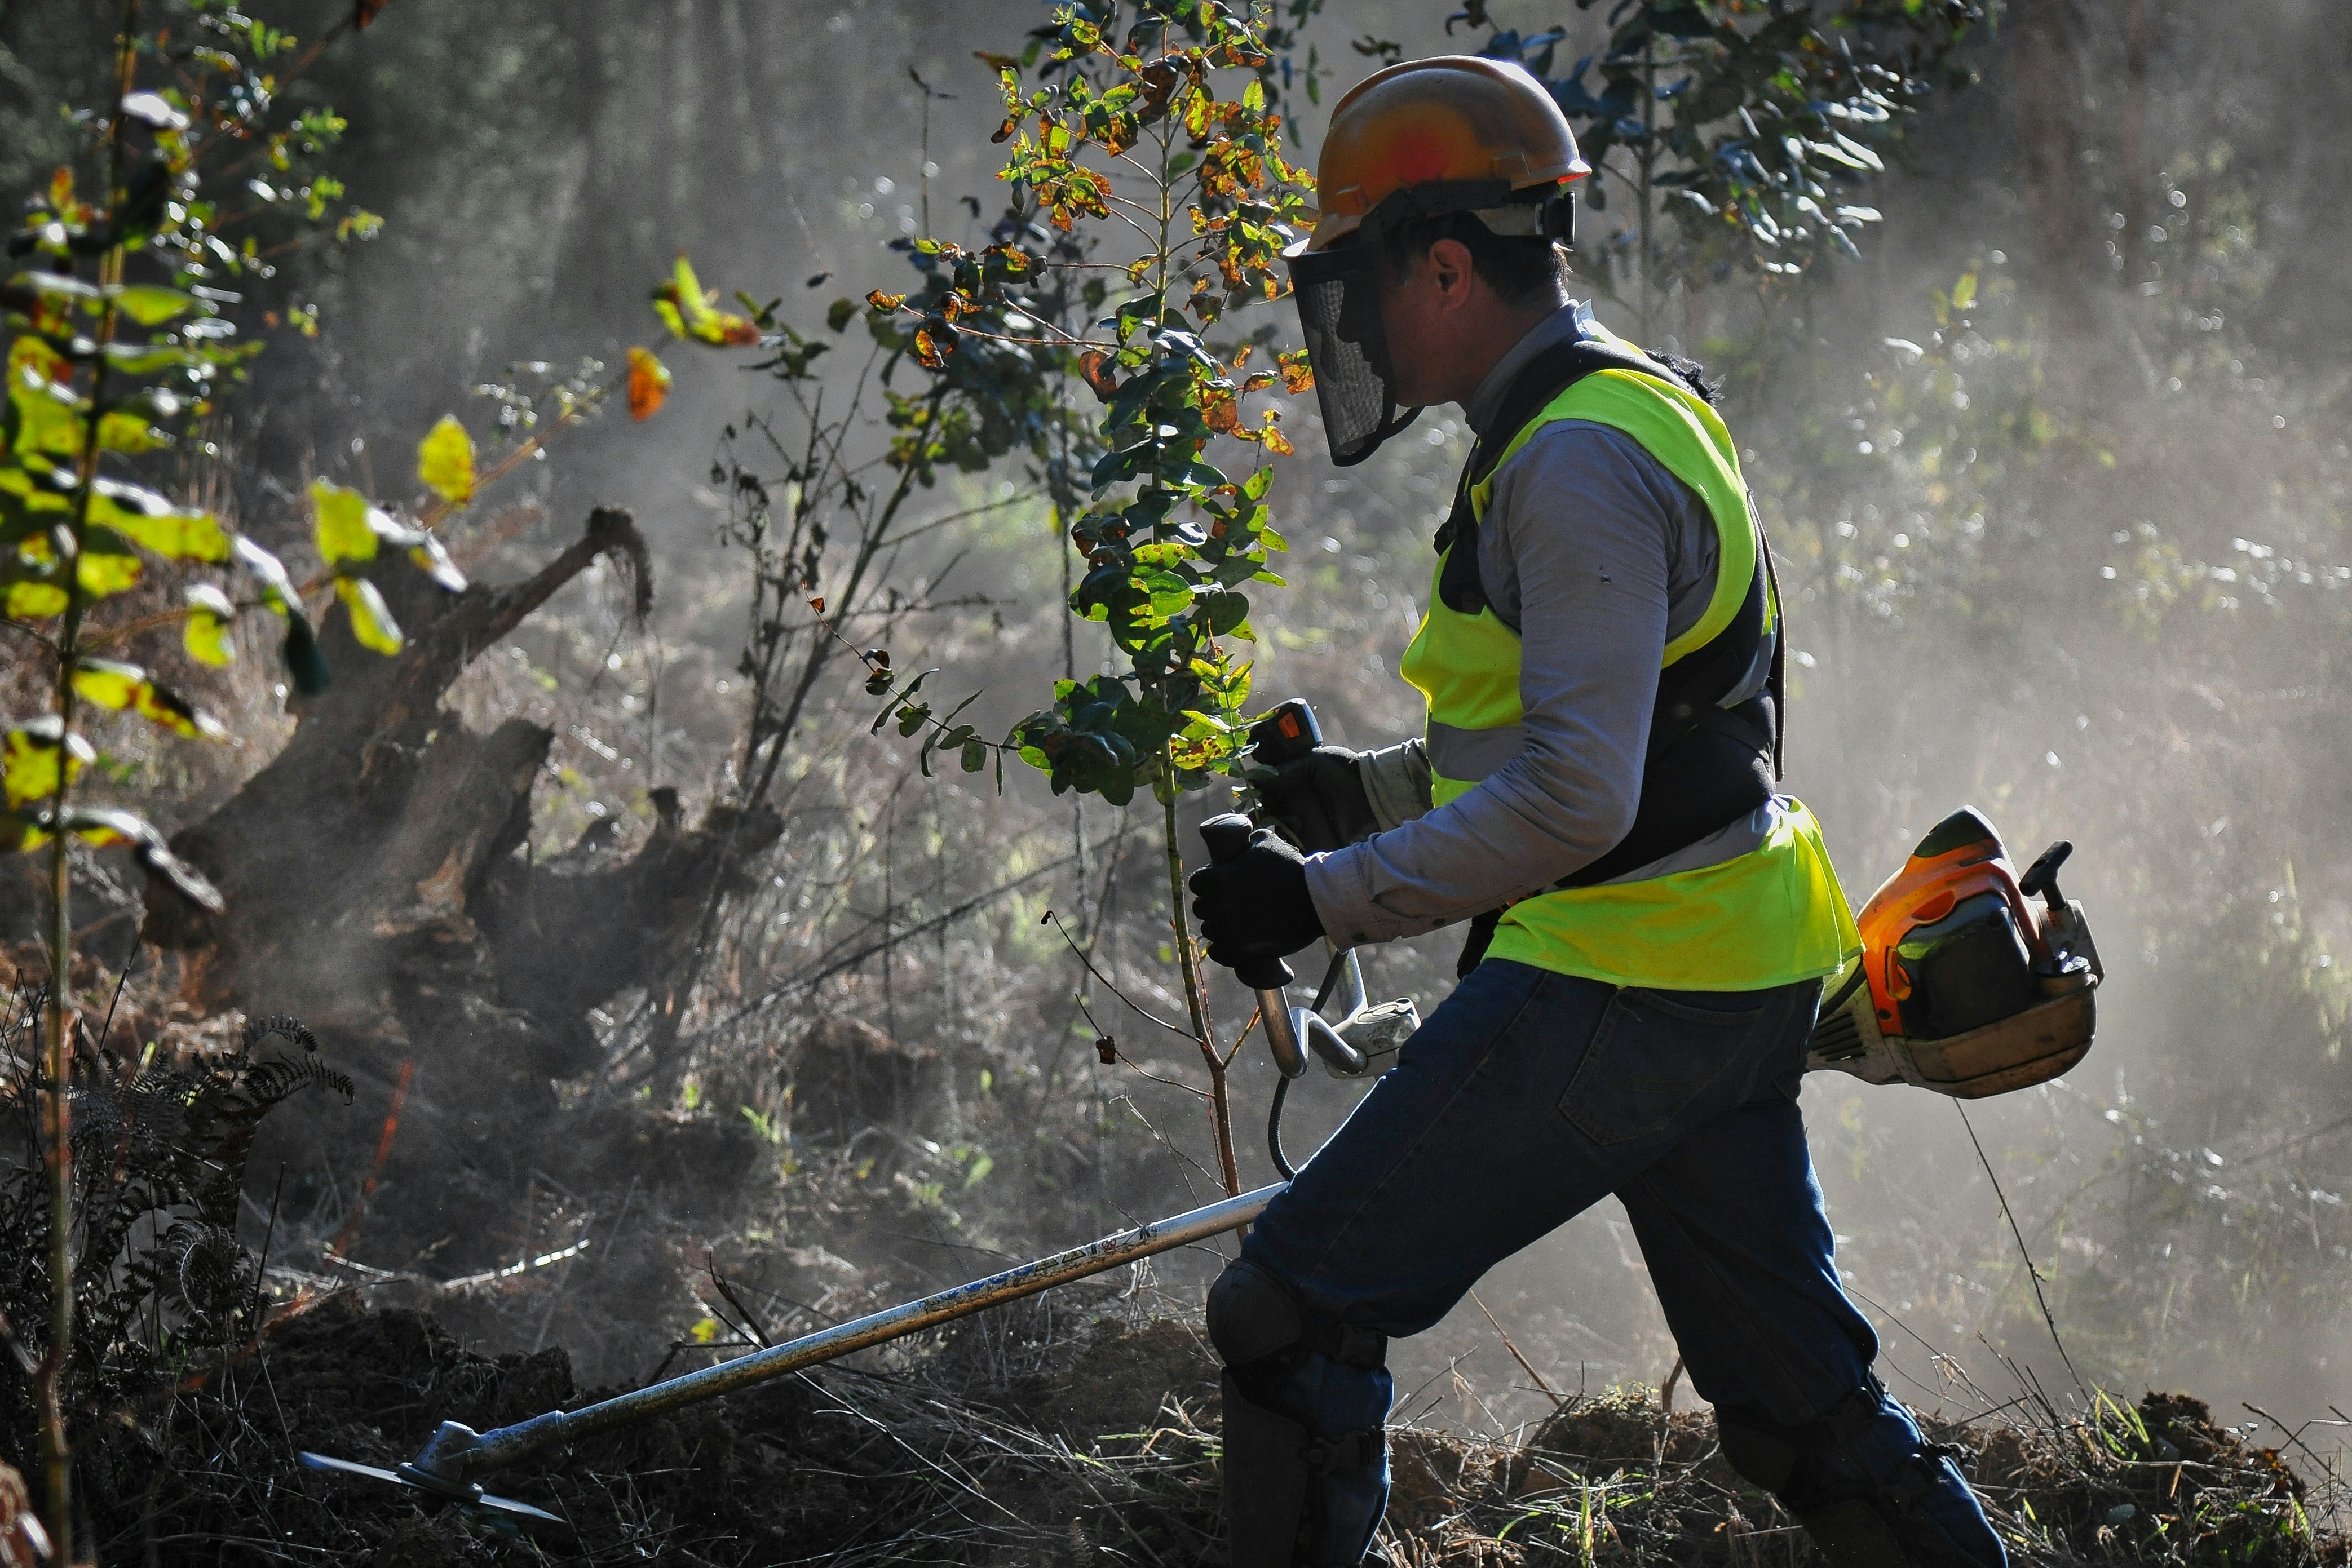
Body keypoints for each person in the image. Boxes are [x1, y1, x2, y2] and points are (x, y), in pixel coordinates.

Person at [1184, 55, 2009, 1568]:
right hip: (1715, 957)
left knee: (1289, 1309)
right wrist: (1353, 795)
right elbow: (1623, 729)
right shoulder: (1612, 404)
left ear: (1444, 263)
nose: (1346, 321)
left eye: (1362, 277)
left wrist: (1321, 897)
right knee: (1802, 1419)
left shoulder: (1568, 463)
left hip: (1631, 971)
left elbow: (1576, 796)